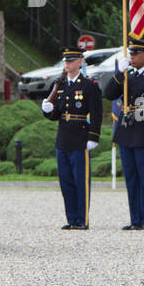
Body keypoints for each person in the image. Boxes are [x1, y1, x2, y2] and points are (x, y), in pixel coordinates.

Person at [102, 38, 144, 230]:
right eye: (130, 54)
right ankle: (135, 219)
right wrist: (118, 73)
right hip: (127, 131)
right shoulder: (127, 75)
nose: (132, 57)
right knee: (131, 178)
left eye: (136, 54)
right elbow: (108, 93)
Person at [40, 47, 102, 230]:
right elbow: (56, 114)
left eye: (72, 60)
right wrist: (47, 111)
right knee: (66, 181)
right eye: (66, 61)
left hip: (80, 137)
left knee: (80, 181)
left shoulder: (88, 85)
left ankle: (82, 219)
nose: (67, 64)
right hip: (63, 138)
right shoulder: (60, 85)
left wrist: (94, 136)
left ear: (80, 62)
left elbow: (97, 113)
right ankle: (71, 218)